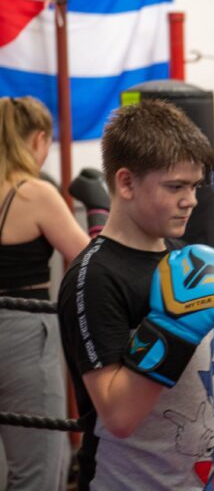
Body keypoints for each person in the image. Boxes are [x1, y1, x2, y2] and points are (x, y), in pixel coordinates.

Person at [57, 100, 214, 490]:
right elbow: (119, 417)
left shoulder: (185, 262)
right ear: (126, 183)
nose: (191, 200)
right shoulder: (94, 278)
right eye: (175, 186)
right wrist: (174, 328)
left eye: (194, 186)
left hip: (213, 479)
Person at [0, 96, 90, 490]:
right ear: (38, 139)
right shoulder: (33, 192)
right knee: (38, 466)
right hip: (22, 332)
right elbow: (88, 260)